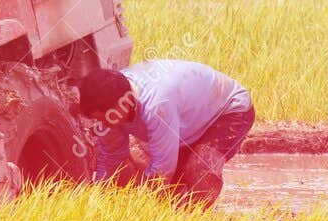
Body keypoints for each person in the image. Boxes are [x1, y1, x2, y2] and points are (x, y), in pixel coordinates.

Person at [77, 60, 255, 206]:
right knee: (160, 179)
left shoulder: (156, 105)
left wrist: (141, 207)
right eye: (99, 120)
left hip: (229, 111)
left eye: (108, 118)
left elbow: (162, 170)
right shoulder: (111, 109)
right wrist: (97, 197)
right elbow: (111, 157)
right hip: (185, 121)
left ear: (121, 105)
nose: (104, 125)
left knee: (198, 169)